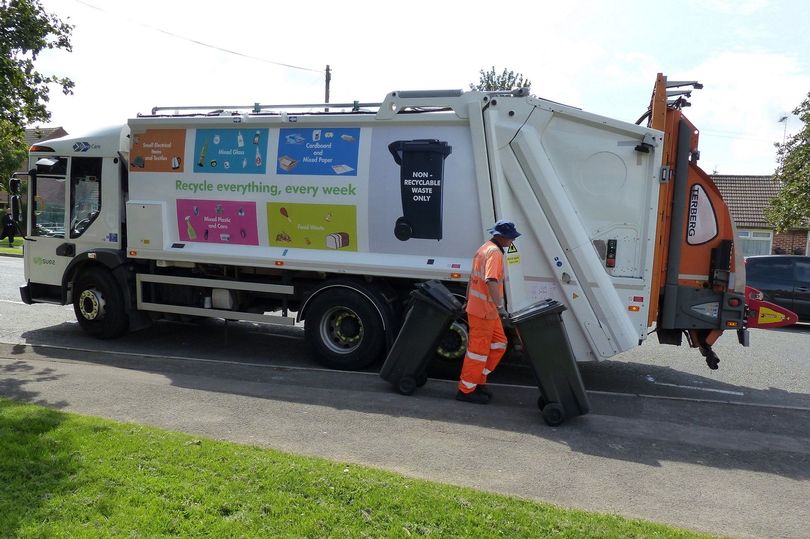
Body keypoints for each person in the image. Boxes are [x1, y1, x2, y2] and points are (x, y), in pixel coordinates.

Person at [456, 219, 521, 404]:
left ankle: (478, 381)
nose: (512, 241)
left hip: (484, 310)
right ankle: (466, 390)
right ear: (501, 237)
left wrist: (468, 300)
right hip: (484, 311)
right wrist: (500, 306)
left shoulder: (484, 248)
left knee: (500, 343)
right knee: (477, 351)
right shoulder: (494, 253)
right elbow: (491, 280)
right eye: (510, 238)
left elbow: (472, 278)